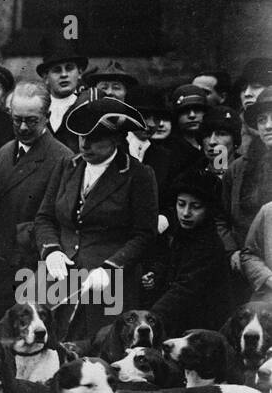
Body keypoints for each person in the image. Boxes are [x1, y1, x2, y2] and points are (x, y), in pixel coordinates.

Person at [34, 96, 158, 342]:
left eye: (94, 139)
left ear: (115, 140)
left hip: (108, 285)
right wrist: (51, 251)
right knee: (51, 345)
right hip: (61, 277)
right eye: (81, 137)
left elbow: (144, 234)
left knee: (101, 351)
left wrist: (111, 267)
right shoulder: (67, 166)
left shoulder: (138, 175)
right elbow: (44, 217)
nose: (85, 145)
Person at [0, 81, 73, 326]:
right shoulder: (5, 152)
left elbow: (57, 221)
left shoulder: (61, 158)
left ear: (47, 116)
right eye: (16, 119)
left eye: (31, 120)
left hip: (30, 269)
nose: (22, 127)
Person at [142, 170, 230, 331]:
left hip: (198, 327)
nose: (185, 213)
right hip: (176, 318)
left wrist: (149, 319)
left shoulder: (209, 245)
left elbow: (184, 290)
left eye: (195, 207)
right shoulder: (179, 235)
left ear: (209, 209)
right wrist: (155, 275)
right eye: (181, 204)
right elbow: (168, 264)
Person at [224, 88, 272, 248]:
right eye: (262, 120)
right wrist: (232, 251)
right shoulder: (238, 168)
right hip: (246, 257)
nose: (268, 126)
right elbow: (220, 216)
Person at [38, 37, 87, 153]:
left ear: (79, 73)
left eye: (69, 68)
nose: (64, 74)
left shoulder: (86, 105)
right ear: (46, 77)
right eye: (57, 70)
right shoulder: (39, 109)